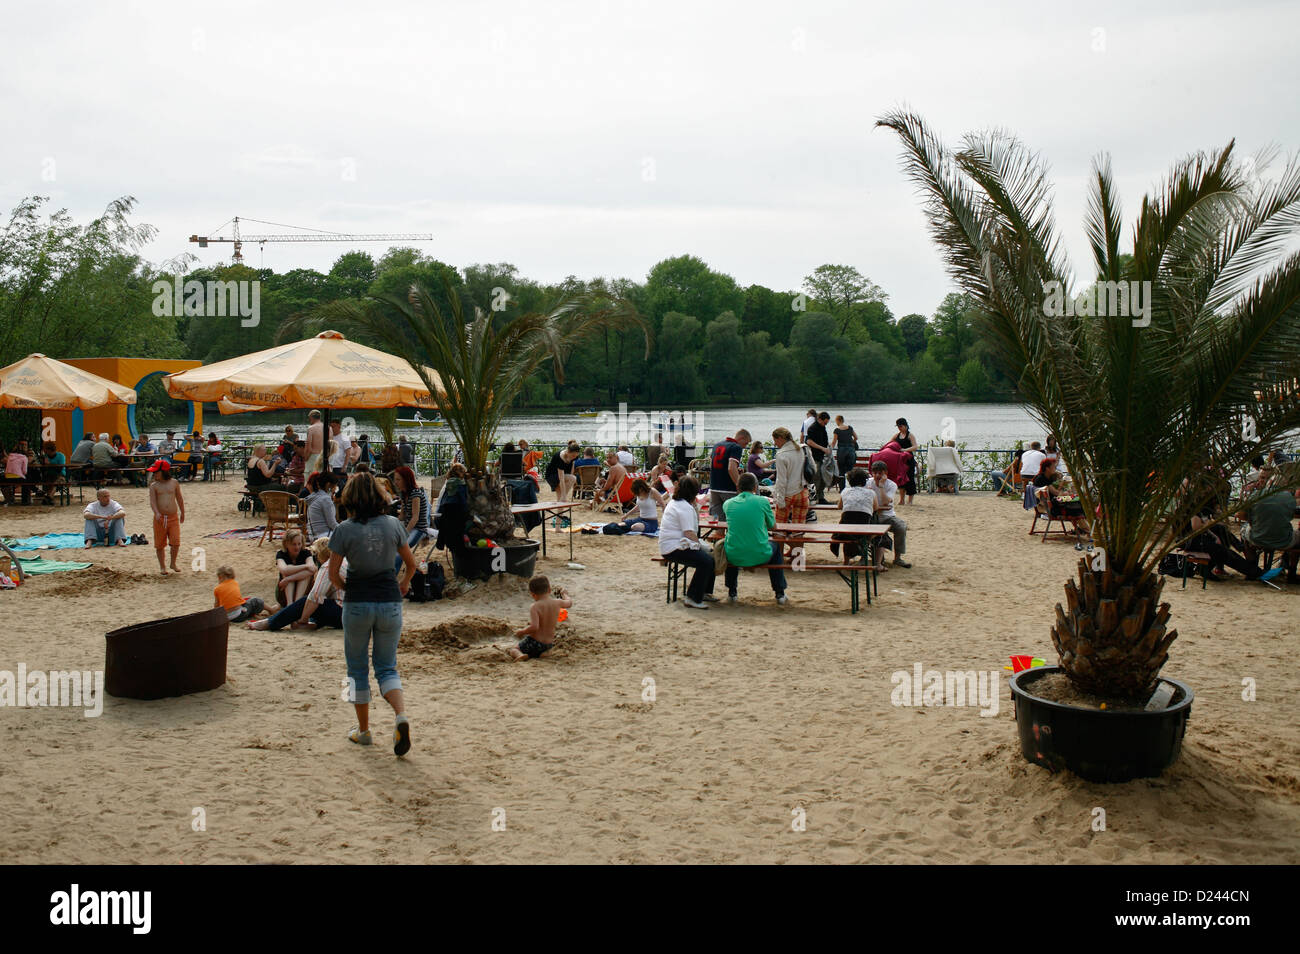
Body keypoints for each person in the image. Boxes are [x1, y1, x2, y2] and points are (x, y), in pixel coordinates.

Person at [328, 472, 417, 756]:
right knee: (387, 666)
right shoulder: (393, 524)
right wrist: (402, 583)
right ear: (380, 496)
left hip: (357, 603)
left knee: (357, 669)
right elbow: (411, 564)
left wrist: (346, 589)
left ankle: (364, 731)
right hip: (389, 601)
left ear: (350, 498)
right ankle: (400, 715)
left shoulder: (344, 529)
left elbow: (332, 574)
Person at [249, 539, 345, 631]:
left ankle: (270, 623)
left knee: (306, 601)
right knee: (314, 605)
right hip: (354, 612)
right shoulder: (344, 561)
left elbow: (315, 596)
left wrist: (303, 620)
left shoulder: (328, 566)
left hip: (343, 611)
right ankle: (311, 624)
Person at [722, 473, 788, 604]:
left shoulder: (728, 504)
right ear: (755, 487)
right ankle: (780, 593)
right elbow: (773, 526)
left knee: (729, 544)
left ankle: (732, 592)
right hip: (760, 553)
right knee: (776, 550)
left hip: (735, 554)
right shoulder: (763, 501)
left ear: (738, 487)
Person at [658, 475, 716, 609]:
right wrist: (703, 545)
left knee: (710, 559)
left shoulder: (675, 502)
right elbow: (689, 533)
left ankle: (703, 592)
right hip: (674, 548)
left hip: (670, 545)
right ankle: (692, 597)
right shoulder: (684, 507)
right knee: (706, 561)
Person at [499, 576, 573, 661]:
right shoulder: (557, 602)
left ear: (533, 594)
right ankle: (543, 653)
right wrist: (564, 594)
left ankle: (519, 655)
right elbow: (569, 603)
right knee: (542, 650)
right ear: (549, 590)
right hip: (548, 644)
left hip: (534, 642)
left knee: (514, 649)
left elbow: (534, 627)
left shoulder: (535, 607)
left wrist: (522, 631)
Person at [869, 460, 910, 569]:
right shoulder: (868, 482)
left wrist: (881, 486)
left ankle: (898, 558)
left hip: (887, 516)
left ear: (885, 473)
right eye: (875, 473)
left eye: (880, 473)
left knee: (901, 527)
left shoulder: (891, 485)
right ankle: (864, 557)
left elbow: (887, 501)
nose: (877, 475)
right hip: (872, 516)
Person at [392, 465, 433, 569]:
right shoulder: (403, 493)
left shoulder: (415, 493)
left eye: (398, 479)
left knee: (400, 549)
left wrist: (405, 532)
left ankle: (392, 577)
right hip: (409, 527)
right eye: (395, 479)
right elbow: (402, 516)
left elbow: (415, 518)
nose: (395, 482)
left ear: (406, 480)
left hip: (419, 529)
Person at [148, 459, 184, 575]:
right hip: (160, 518)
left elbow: (179, 498)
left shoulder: (174, 483)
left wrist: (183, 512)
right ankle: (162, 566)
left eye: (156, 472)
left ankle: (173, 563)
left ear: (163, 472)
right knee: (159, 544)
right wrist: (157, 512)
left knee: (176, 542)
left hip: (173, 517)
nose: (154, 474)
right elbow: (152, 502)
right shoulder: (154, 486)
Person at [770, 427, 808, 525]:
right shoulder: (802, 449)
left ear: (780, 438)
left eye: (775, 440)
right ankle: (797, 539)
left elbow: (781, 480)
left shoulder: (781, 455)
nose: (775, 444)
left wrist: (780, 500)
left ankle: (780, 540)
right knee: (798, 528)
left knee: (780, 527)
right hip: (802, 491)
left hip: (787, 494)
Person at [708, 429, 750, 517]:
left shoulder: (717, 445)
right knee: (732, 520)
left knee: (719, 522)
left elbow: (712, 463)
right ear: (741, 438)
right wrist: (739, 486)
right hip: (728, 489)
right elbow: (731, 468)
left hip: (714, 487)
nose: (745, 447)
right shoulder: (736, 447)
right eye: (746, 443)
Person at [276, 529, 317, 607]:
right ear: (286, 544)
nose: (297, 547)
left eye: (299, 544)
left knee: (305, 575)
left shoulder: (305, 552)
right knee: (290, 571)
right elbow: (284, 570)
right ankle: (290, 604)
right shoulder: (281, 554)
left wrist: (289, 579)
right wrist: (305, 566)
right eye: (293, 544)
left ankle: (296, 604)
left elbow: (313, 570)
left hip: (301, 590)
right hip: (284, 591)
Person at [890, 419, 920, 504]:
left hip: (909, 460)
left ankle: (910, 501)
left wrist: (905, 450)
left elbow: (915, 447)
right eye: (898, 426)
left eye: (900, 426)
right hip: (900, 460)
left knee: (910, 479)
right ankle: (901, 500)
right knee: (900, 480)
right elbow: (889, 444)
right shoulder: (896, 435)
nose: (899, 428)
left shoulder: (910, 435)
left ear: (905, 426)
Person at [305, 471, 340, 541]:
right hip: (324, 536)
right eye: (335, 486)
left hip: (314, 536)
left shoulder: (315, 496)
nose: (335, 489)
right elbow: (332, 523)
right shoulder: (325, 499)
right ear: (328, 485)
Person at [805, 413, 832, 504]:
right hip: (814, 456)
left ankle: (821, 497)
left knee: (824, 477)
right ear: (820, 419)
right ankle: (815, 497)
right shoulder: (812, 428)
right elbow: (809, 441)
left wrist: (827, 447)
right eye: (825, 422)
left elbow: (824, 440)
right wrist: (822, 448)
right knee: (816, 477)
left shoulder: (822, 428)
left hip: (822, 456)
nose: (825, 424)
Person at [831, 415, 858, 492]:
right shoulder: (850, 428)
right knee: (850, 470)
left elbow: (834, 442)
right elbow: (856, 437)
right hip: (851, 451)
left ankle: (842, 489)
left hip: (842, 452)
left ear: (838, 420)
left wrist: (829, 449)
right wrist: (851, 443)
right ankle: (852, 488)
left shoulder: (836, 430)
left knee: (841, 471)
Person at [2, 438, 31, 506]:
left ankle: (9, 499)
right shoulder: (24, 457)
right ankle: (25, 501)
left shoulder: (9, 456)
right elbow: (24, 471)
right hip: (18, 477)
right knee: (27, 482)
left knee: (4, 483)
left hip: (7, 477)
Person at [1019, 441, 1047, 509]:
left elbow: (1023, 463)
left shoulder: (1024, 454)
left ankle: (1025, 496)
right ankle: (1038, 498)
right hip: (1034, 475)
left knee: (1025, 482)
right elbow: (1044, 466)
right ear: (1039, 448)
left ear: (1031, 447)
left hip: (1023, 474)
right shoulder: (1042, 455)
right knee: (1042, 481)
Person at [304, 410, 324, 475]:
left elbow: (308, 446)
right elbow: (332, 445)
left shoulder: (311, 428)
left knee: (310, 479)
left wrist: (306, 458)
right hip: (324, 457)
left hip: (313, 456)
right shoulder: (329, 428)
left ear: (311, 417)